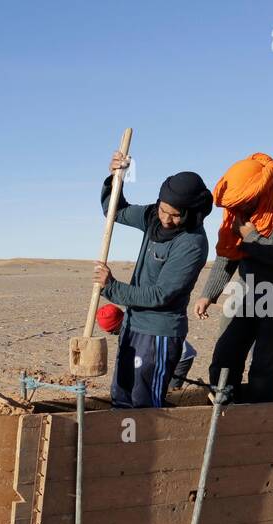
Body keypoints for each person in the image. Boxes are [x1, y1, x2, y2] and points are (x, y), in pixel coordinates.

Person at [194, 152, 273, 402]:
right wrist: (209, 294)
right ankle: (221, 409)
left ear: (261, 192)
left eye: (245, 205)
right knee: (225, 357)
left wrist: (252, 238)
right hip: (247, 290)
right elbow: (229, 252)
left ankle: (256, 423)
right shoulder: (238, 208)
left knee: (265, 366)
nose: (239, 211)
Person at [93, 152, 213, 409]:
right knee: (122, 396)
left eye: (175, 215)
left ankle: (146, 449)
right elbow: (114, 210)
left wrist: (112, 287)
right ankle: (122, 449)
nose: (166, 219)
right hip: (133, 325)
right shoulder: (152, 217)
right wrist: (116, 178)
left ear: (192, 213)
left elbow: (161, 295)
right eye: (163, 210)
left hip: (158, 333)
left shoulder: (192, 243)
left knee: (144, 403)